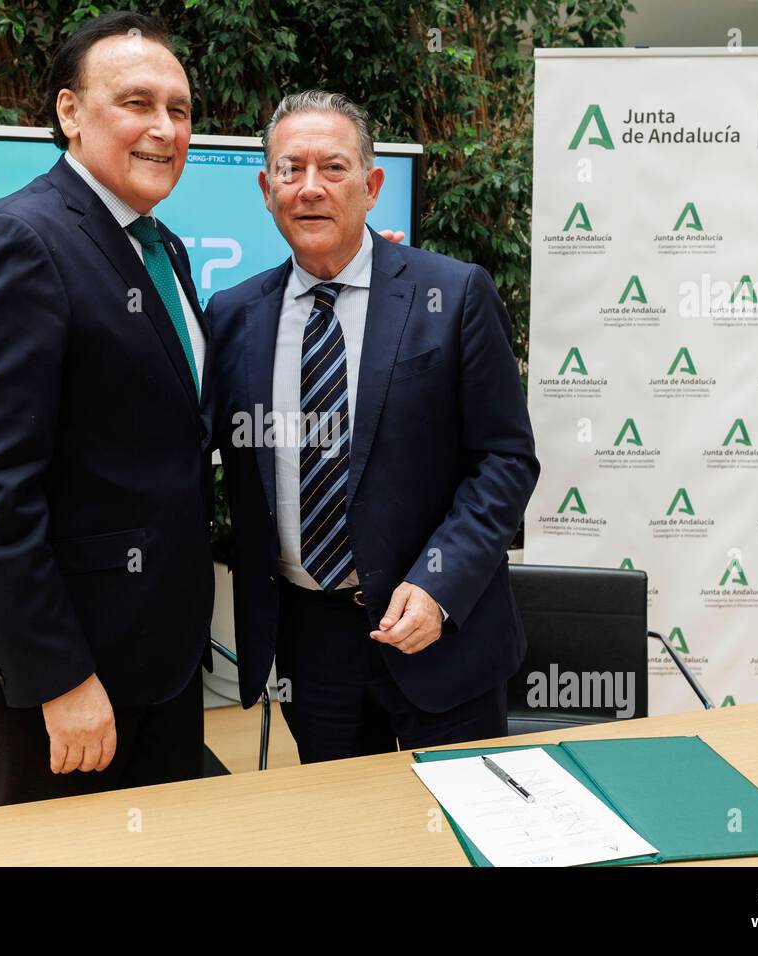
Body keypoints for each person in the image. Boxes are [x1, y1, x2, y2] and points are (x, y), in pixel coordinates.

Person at [0, 12, 214, 805]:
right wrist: (61, 678)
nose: (164, 128)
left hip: (151, 652)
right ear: (70, 113)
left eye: (179, 110)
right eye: (136, 103)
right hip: (62, 672)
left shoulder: (160, 245)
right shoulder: (21, 240)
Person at [208, 91, 540, 763]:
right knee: (342, 837)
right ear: (265, 187)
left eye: (333, 168)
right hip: (312, 644)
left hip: (441, 631)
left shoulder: (454, 295)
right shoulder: (233, 315)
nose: (309, 188)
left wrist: (439, 584)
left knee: (462, 829)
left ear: (372, 184)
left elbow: (505, 460)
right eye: (290, 169)